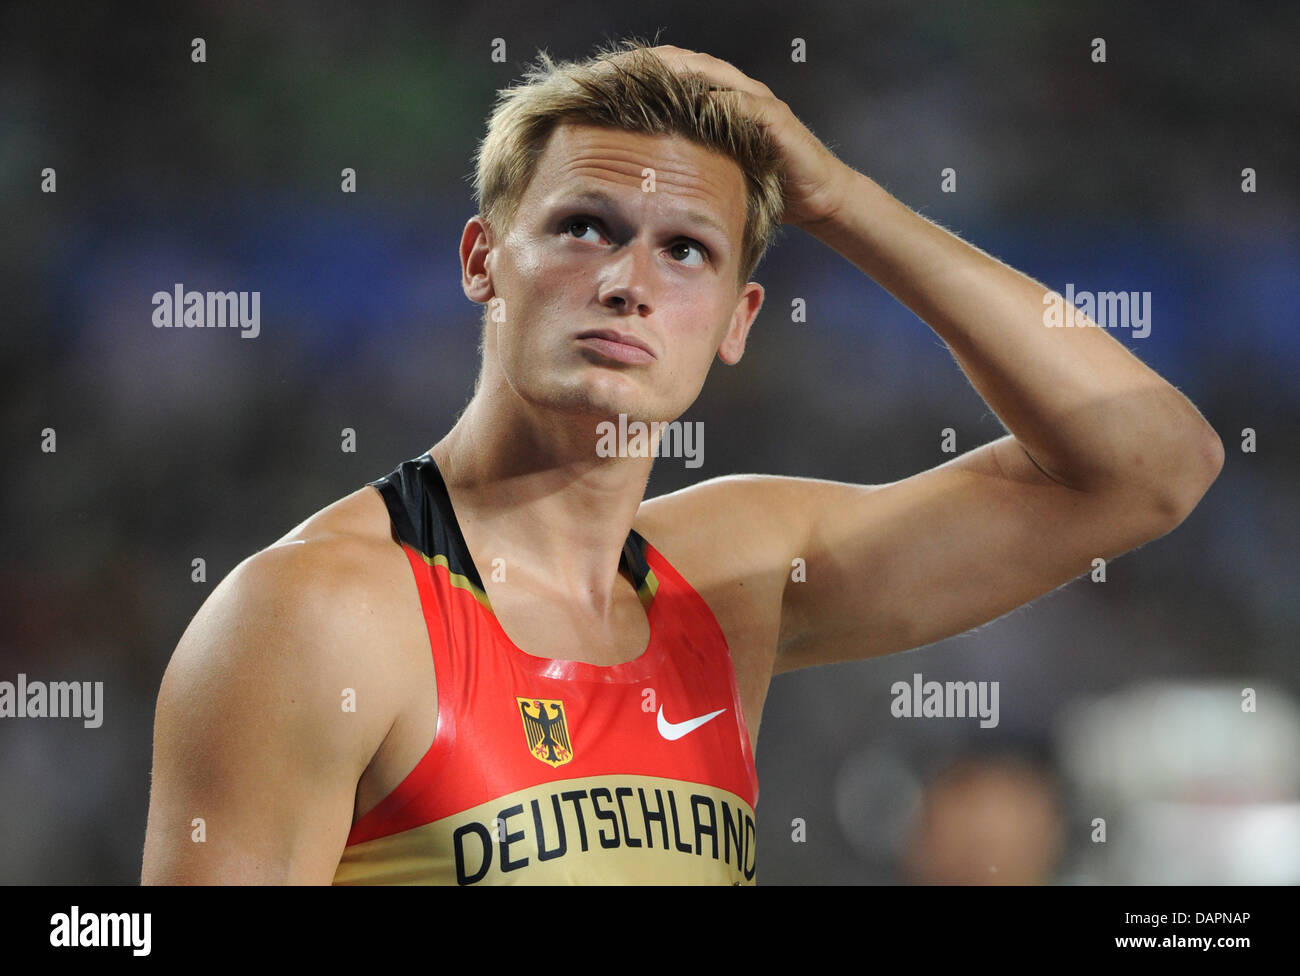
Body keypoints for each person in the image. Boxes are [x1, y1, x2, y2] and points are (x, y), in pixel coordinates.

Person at [141, 39, 1223, 885]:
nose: (627, 281)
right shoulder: (316, 614)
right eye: (582, 227)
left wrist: (846, 203)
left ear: (737, 318)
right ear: (483, 261)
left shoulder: (732, 578)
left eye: (686, 250)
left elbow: (1149, 466)